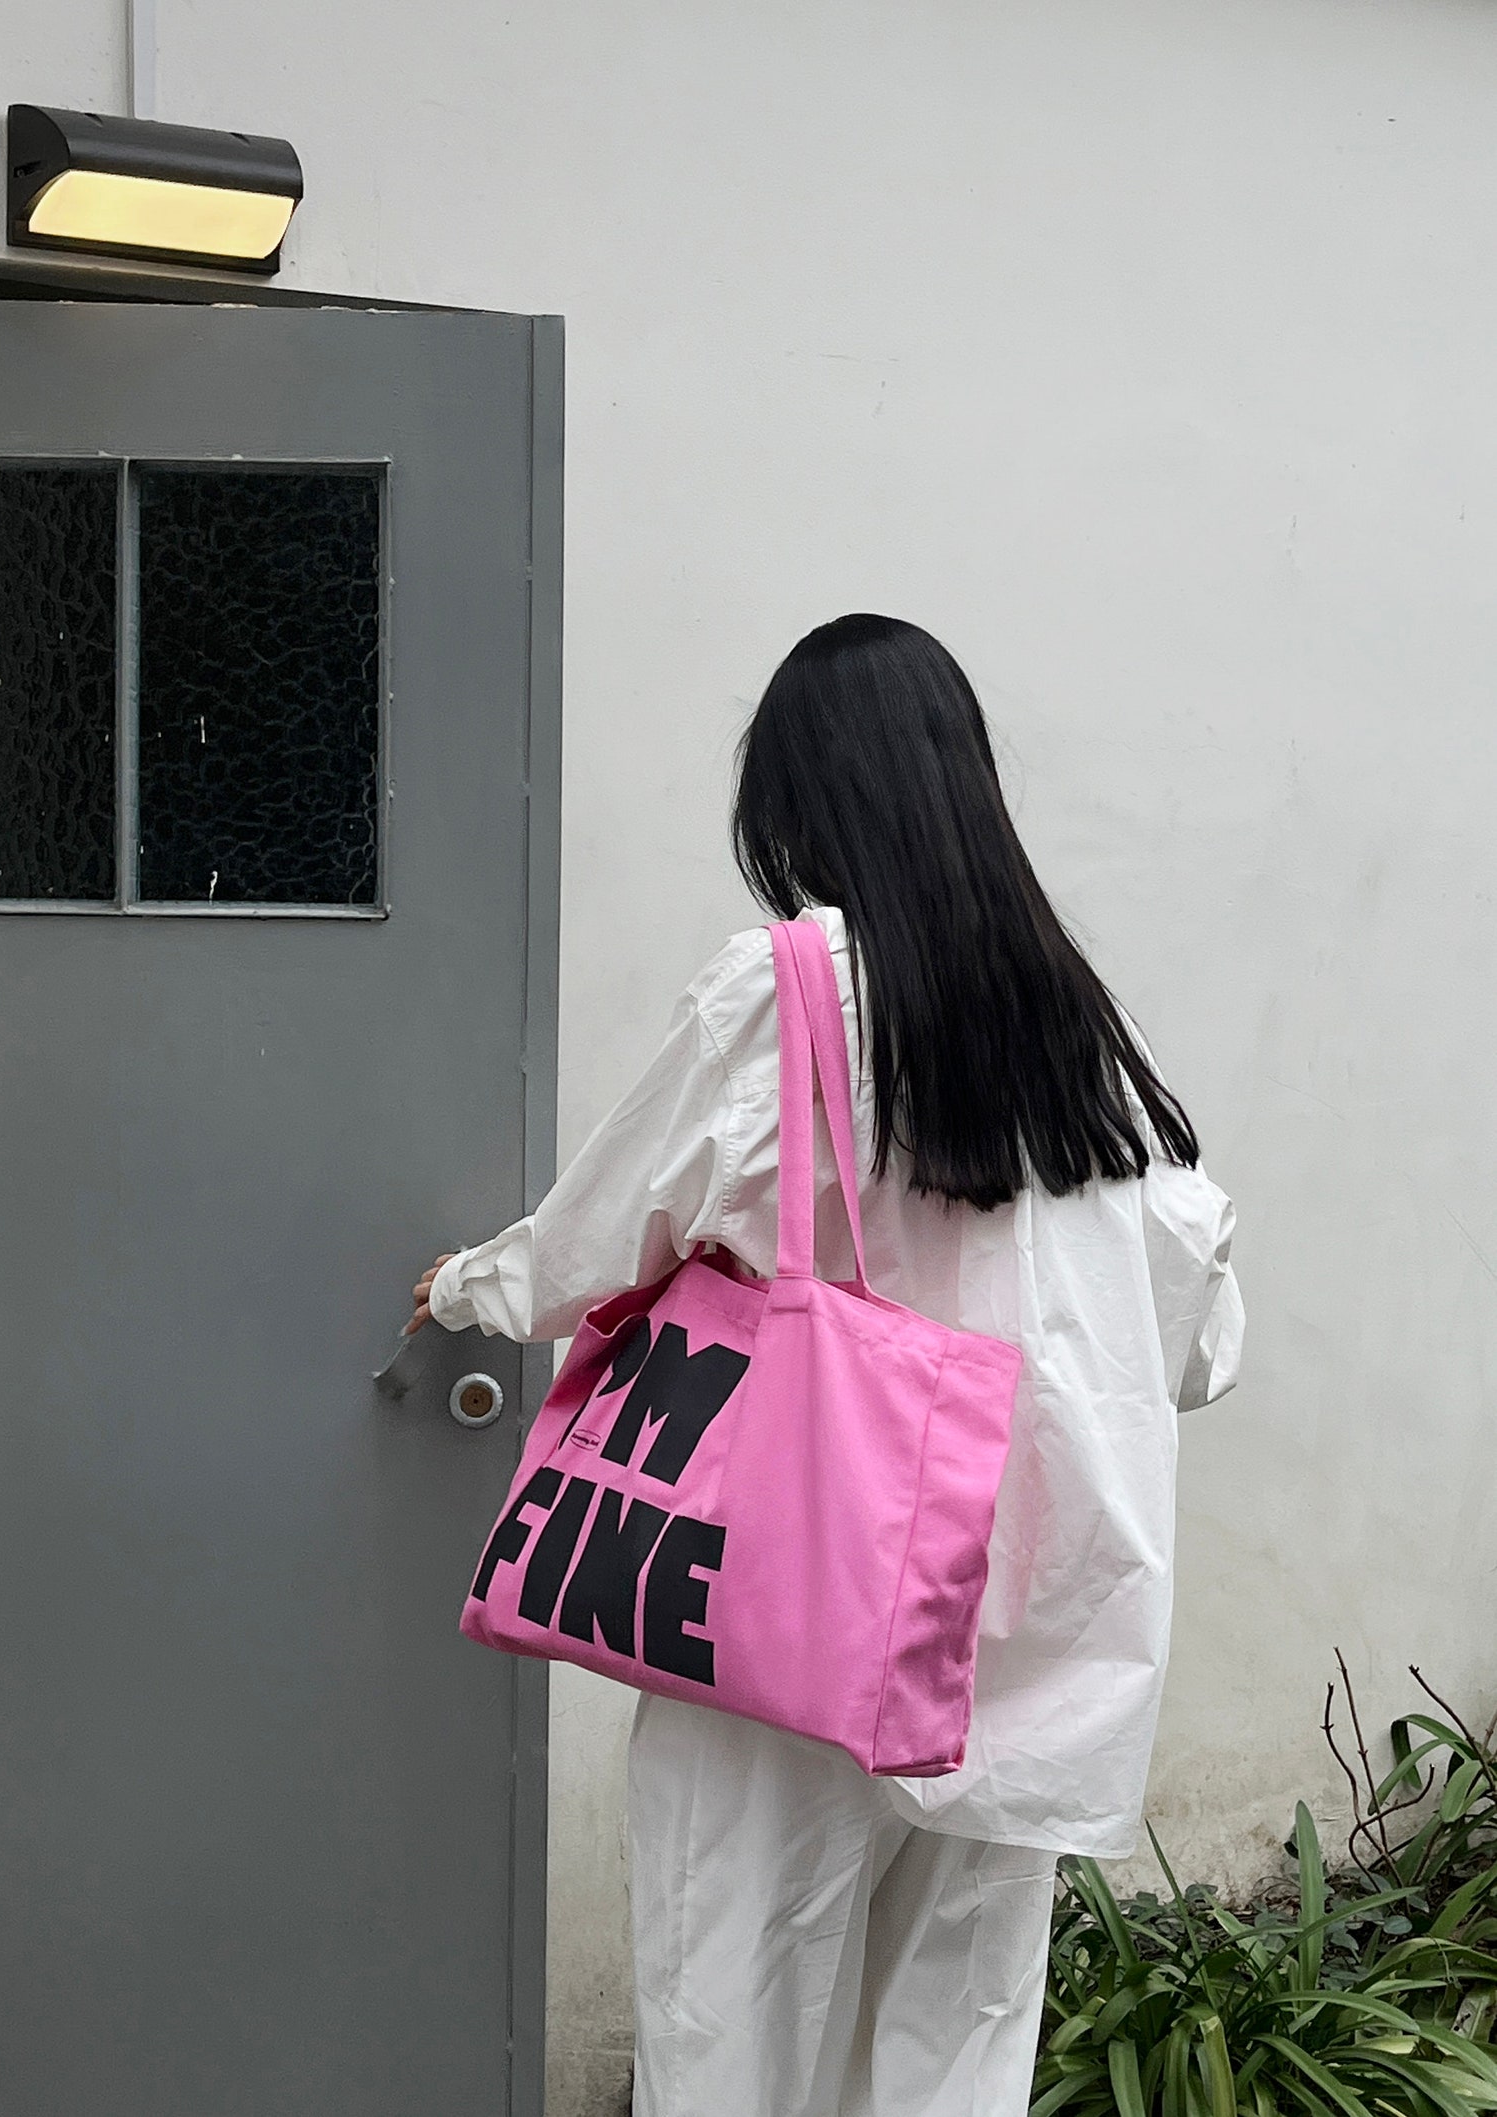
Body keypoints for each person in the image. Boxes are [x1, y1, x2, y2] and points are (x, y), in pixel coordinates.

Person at [405, 613, 1244, 2117]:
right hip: (1022, 1653)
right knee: (951, 2054)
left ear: (802, 802)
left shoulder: (789, 991)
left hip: (797, 1605)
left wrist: (474, 1286)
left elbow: (608, 1232)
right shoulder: (1076, 1029)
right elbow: (1194, 1335)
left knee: (734, 2021)